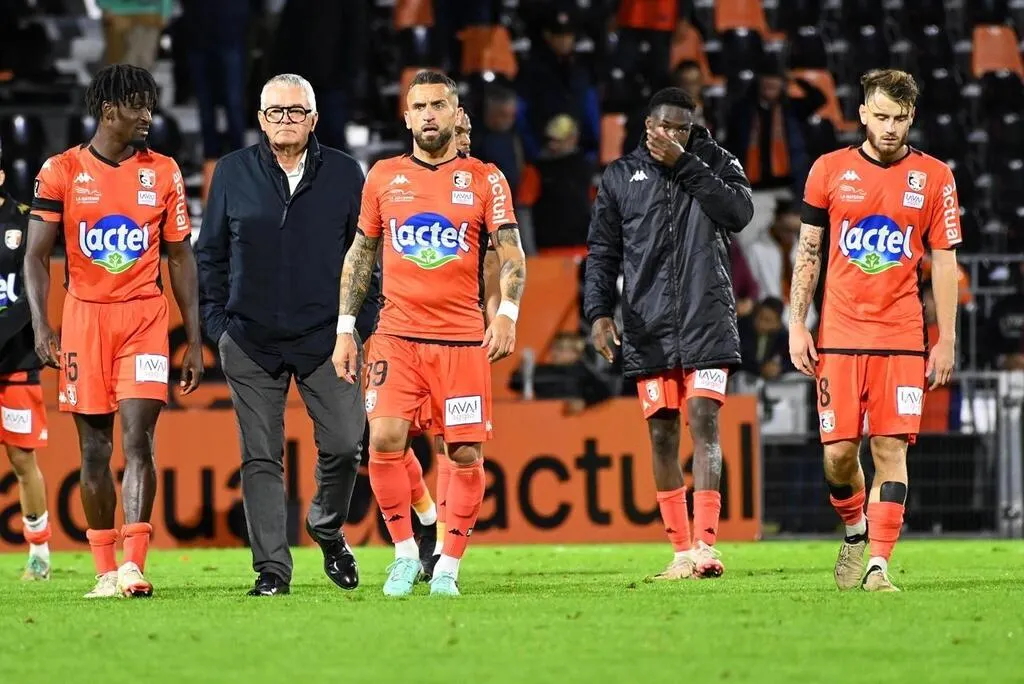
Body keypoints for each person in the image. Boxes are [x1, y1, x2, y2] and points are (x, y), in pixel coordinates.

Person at [334, 69, 526, 597]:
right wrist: (346, 329)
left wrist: (507, 311)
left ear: (456, 112)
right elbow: (361, 253)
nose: (428, 115)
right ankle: (402, 555)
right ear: (406, 116)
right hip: (396, 336)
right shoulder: (382, 176)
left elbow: (510, 250)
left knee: (462, 455)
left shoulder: (486, 178)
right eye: (419, 107)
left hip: (461, 341)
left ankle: (447, 567)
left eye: (438, 105)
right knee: (385, 440)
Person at [196, 73, 379, 597]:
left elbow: (367, 257)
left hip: (327, 338)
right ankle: (271, 571)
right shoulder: (231, 172)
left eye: (296, 112)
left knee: (346, 444)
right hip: (250, 339)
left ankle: (326, 527)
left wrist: (356, 327)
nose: (285, 121)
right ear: (260, 119)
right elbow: (209, 254)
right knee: (260, 456)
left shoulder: (347, 174)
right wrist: (217, 328)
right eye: (275, 112)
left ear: (314, 119)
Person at [24, 64, 204, 598]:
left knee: (138, 441)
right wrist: (42, 323)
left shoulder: (164, 171)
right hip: (84, 320)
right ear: (109, 110)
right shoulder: (61, 170)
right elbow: (35, 256)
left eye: (150, 104)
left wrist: (192, 337)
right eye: (137, 105)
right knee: (96, 451)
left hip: (144, 319)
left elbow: (180, 256)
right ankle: (104, 568)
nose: (148, 114)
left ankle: (133, 566)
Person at [789, 69, 961, 592]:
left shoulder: (934, 177)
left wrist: (945, 337)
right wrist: (798, 323)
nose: (889, 128)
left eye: (899, 119)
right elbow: (809, 252)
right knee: (838, 456)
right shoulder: (828, 170)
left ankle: (879, 566)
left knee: (891, 448)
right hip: (839, 335)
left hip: (902, 337)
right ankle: (854, 528)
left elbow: (944, 262)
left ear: (912, 118)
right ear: (863, 113)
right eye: (880, 116)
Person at [584, 87, 753, 580]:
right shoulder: (619, 177)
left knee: (704, 421)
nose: (671, 135)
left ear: (692, 128)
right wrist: (598, 312)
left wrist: (685, 163)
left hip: (707, 318)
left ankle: (705, 546)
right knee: (661, 434)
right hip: (648, 326)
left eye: (682, 128)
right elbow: (602, 253)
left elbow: (739, 215)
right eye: (664, 126)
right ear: (647, 124)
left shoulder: (717, 163)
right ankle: (680, 552)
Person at [0, 137, 52, 581]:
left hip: (14, 361)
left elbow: (30, 298)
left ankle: (39, 553)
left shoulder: (21, 223)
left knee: (22, 459)